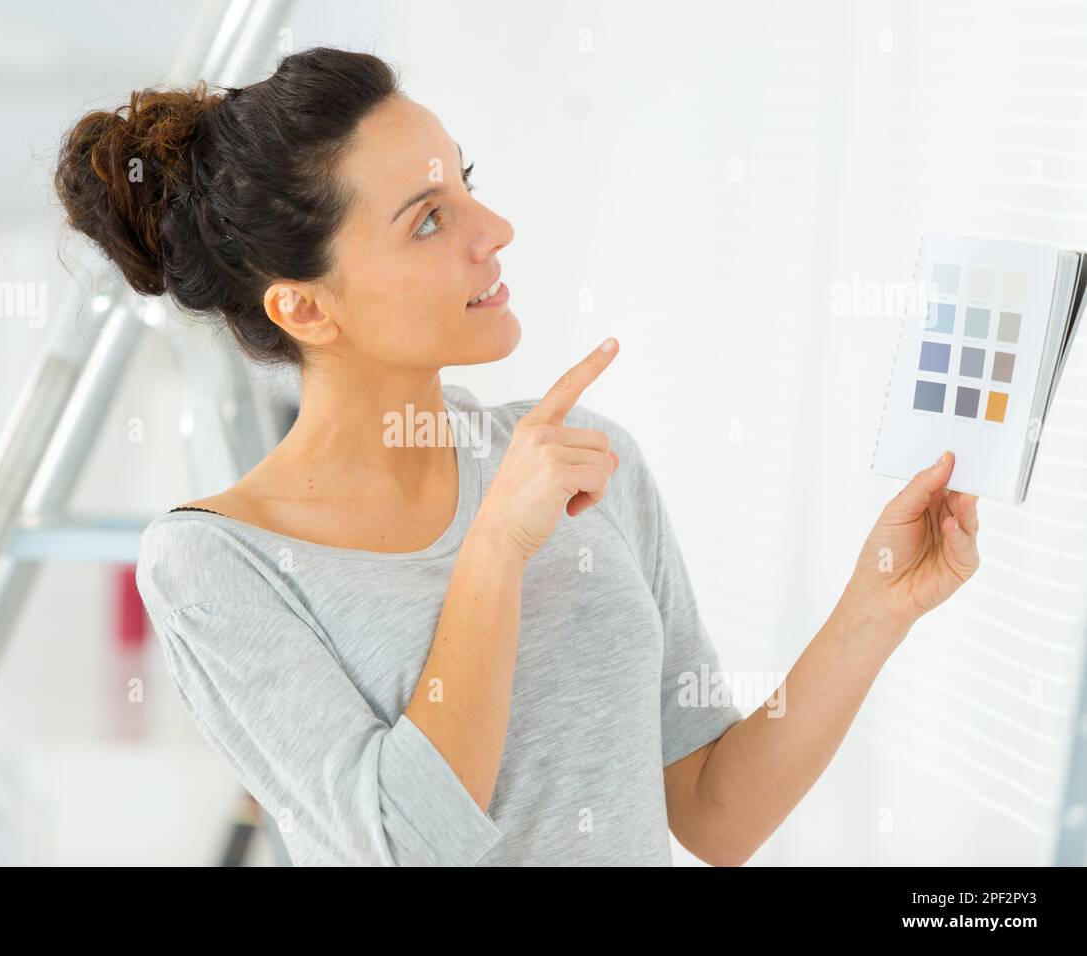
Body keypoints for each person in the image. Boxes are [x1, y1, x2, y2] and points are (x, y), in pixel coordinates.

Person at [53, 46, 981, 866]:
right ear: (304, 308)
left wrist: (876, 603)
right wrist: (495, 544)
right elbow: (412, 845)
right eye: (427, 219)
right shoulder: (219, 563)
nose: (491, 229)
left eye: (465, 183)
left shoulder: (581, 457)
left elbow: (713, 814)